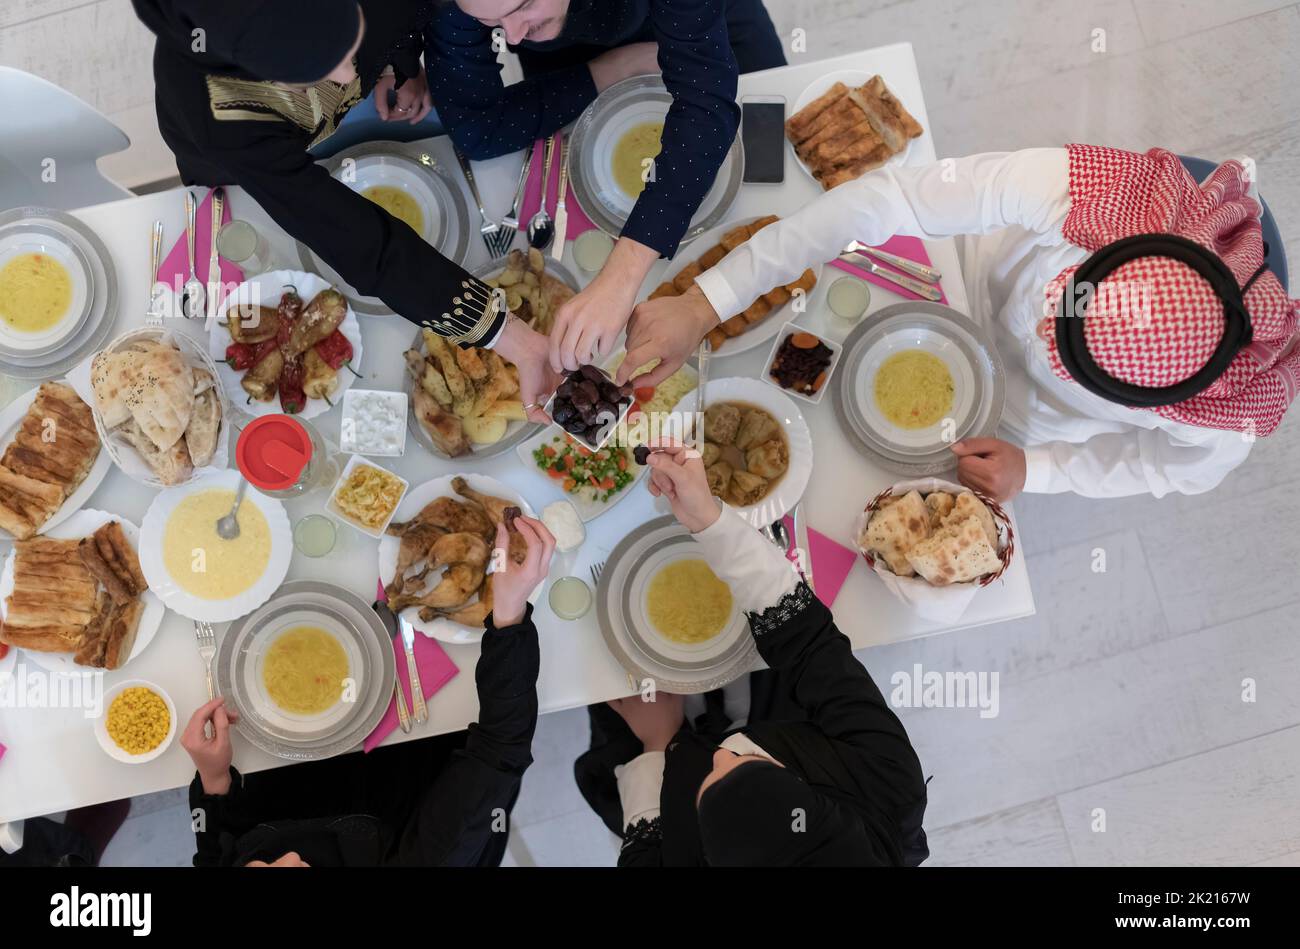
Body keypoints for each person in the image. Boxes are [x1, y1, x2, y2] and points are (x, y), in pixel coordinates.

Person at [624, 146, 1300, 499]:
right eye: (1061, 310)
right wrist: (706, 301)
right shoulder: (1097, 193)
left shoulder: (1224, 417)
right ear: (1115, 251)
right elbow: (886, 200)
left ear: (1156, 399)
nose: (1044, 329)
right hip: (962, 280)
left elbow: (1158, 469)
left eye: (1063, 350)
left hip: (1020, 425)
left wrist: (1038, 471)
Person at [131, 0, 557, 416]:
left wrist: (397, 62)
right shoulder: (220, 121)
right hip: (241, 169)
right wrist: (511, 339)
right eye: (312, 75)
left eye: (352, 43)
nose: (348, 75)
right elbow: (364, 245)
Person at [574, 441, 929, 866]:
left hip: (664, 771)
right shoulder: (889, 780)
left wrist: (657, 744)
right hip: (797, 724)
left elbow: (647, 846)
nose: (720, 753)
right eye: (750, 765)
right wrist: (710, 521)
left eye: (713, 779)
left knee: (607, 672)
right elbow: (809, 643)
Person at [425, 0, 786, 372]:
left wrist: (621, 275)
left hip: (706, 30)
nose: (511, 35)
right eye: (490, 22)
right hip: (575, 64)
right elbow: (477, 130)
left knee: (775, 170)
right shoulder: (476, 9)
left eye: (524, 5)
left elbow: (706, 107)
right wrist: (614, 69)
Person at [181, 516, 556, 866]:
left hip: (282, 766)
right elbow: (501, 748)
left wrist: (214, 782)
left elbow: (214, 847)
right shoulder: (437, 856)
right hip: (400, 772)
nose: (281, 858)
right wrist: (509, 614)